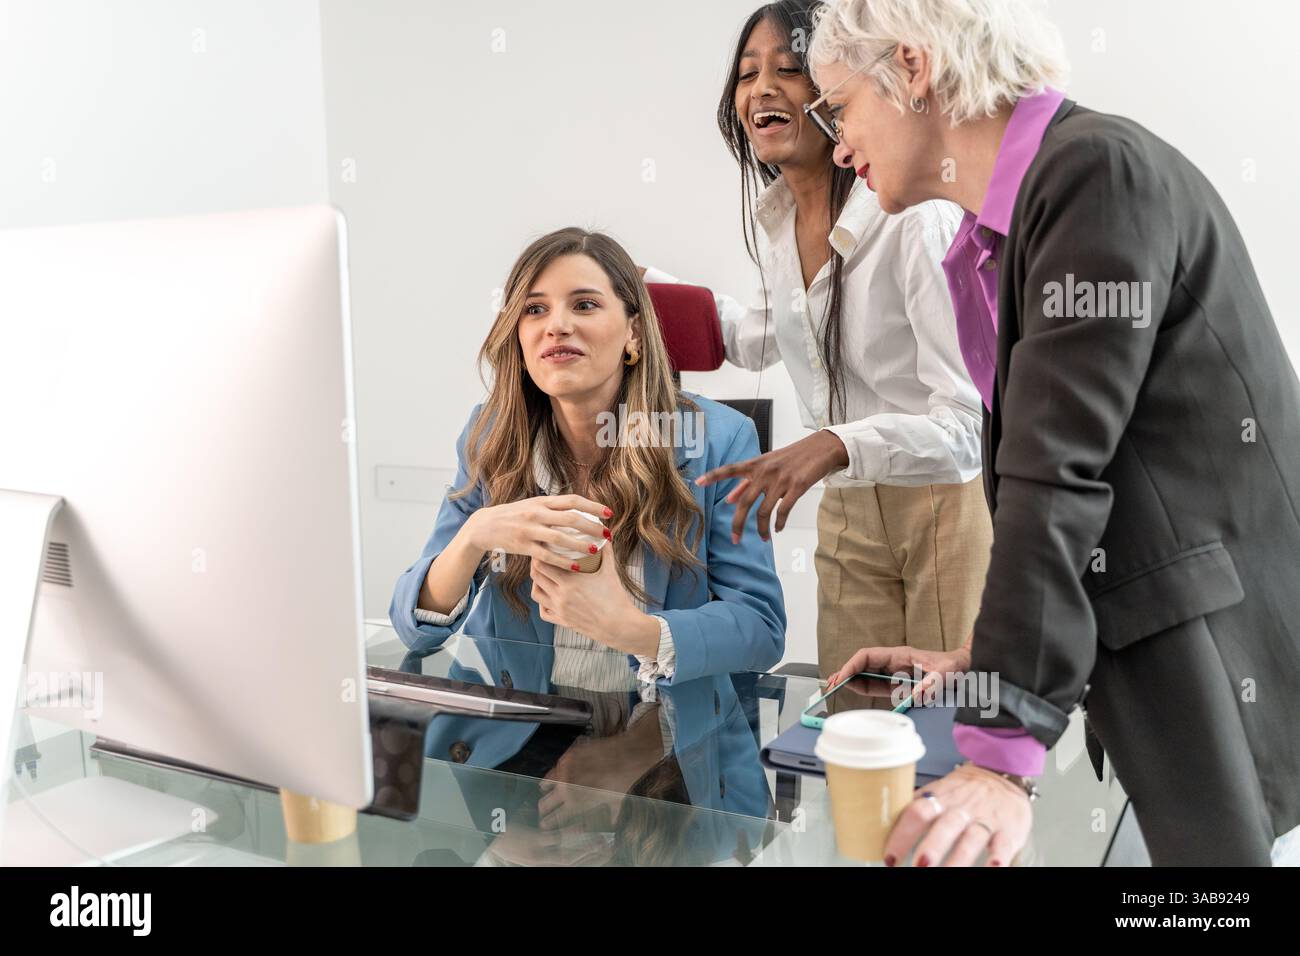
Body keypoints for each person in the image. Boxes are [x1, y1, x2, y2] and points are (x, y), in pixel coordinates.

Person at [814, 0, 1300, 865]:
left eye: (839, 107)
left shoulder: (1094, 174)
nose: (838, 144)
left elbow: (1055, 476)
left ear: (913, 69)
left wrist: (1000, 754)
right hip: (1160, 652)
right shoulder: (1026, 212)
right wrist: (981, 654)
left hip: (1211, 650)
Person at [642, 0, 990, 679]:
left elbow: (966, 427)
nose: (762, 89)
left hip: (944, 506)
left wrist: (831, 444)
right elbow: (758, 338)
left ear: (834, 92)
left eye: (789, 69)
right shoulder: (776, 221)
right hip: (847, 506)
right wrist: (634, 283)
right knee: (849, 722)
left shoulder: (913, 222)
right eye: (746, 75)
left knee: (947, 732)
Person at [389, 227, 787, 691]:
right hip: (522, 735)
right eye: (535, 309)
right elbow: (413, 628)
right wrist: (475, 535)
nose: (556, 325)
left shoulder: (717, 439)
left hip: (666, 732)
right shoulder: (490, 433)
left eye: (584, 304)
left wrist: (628, 630)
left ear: (633, 332)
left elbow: (761, 629)